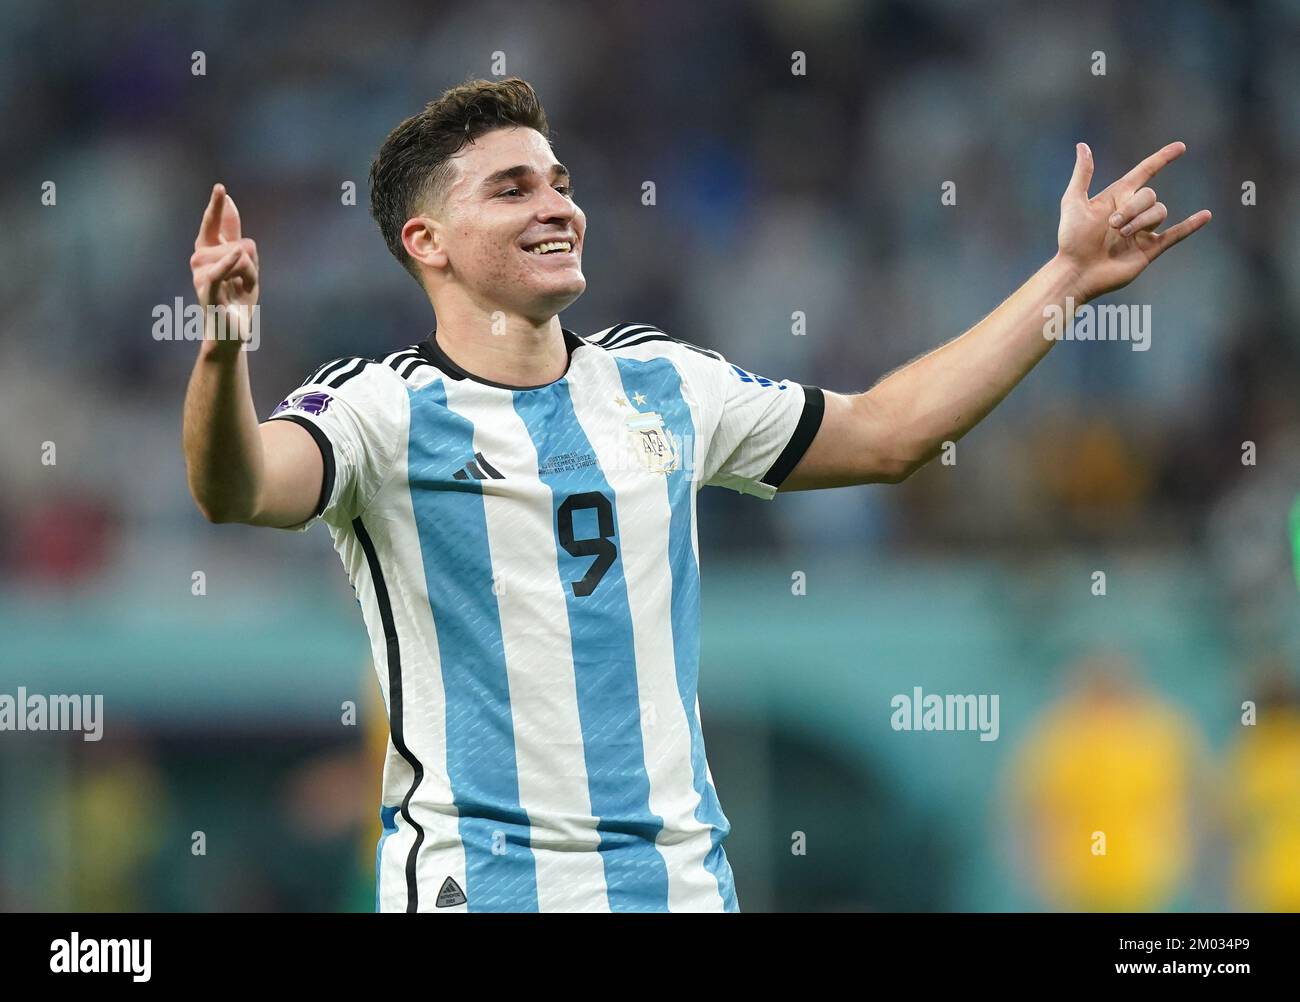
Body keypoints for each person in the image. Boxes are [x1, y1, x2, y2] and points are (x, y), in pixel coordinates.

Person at [182, 77, 1211, 912]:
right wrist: (226, 346)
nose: (556, 206)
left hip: (675, 889)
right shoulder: (380, 408)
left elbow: (889, 435)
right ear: (427, 242)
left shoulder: (664, 384)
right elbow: (239, 487)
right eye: (511, 189)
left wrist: (1064, 281)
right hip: (483, 889)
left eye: (559, 182)